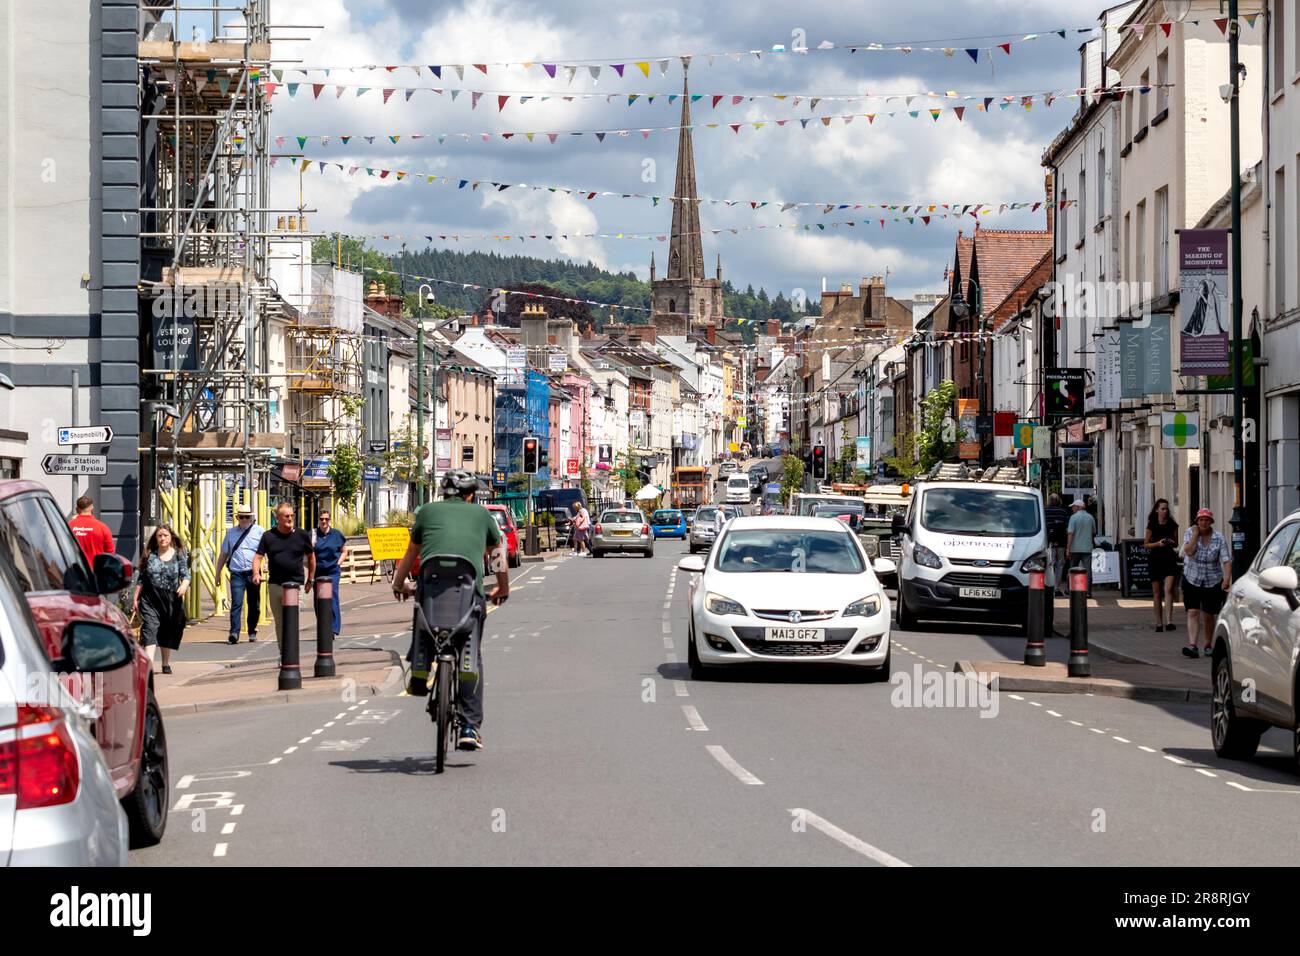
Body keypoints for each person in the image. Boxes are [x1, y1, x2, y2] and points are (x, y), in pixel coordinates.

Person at [393, 470, 508, 752]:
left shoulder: (427, 512)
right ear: (470, 495)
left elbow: (412, 553)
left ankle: (419, 673)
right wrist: (503, 588)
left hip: (430, 590)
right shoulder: (481, 515)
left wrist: (399, 584)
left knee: (422, 613)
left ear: (444, 493)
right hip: (469, 595)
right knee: (472, 655)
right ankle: (470, 726)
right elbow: (497, 554)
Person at [252, 502, 315, 656]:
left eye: (292, 515)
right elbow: (257, 557)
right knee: (280, 623)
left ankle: (291, 653)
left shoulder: (301, 535)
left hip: (295, 586)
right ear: (277, 518)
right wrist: (256, 573)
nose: (290, 518)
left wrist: (310, 580)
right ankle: (283, 653)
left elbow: (311, 558)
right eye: (286, 516)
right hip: (275, 585)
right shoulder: (268, 536)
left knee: (291, 621)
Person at [131, 523, 189, 675]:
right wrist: (135, 598)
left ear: (171, 538)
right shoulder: (149, 556)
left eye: (165, 535)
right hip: (150, 599)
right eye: (159, 536)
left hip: (170, 599)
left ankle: (165, 663)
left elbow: (186, 576)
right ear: (156, 538)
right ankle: (148, 665)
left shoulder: (178, 555)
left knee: (167, 632)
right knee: (150, 629)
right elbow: (141, 579)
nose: (162, 538)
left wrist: (183, 586)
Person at [1180, 508, 1231, 659]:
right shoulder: (1190, 533)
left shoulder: (1219, 538)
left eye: (1206, 520)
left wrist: (1227, 579)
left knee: (1209, 615)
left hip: (1212, 579)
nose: (1203, 522)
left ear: (1211, 522)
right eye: (1201, 520)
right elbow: (1188, 551)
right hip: (1192, 577)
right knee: (1193, 611)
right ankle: (1193, 645)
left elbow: (1226, 560)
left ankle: (1208, 644)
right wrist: (1196, 534)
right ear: (1197, 521)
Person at [214, 503, 264, 645]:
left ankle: (252, 630)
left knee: (254, 604)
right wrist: (217, 574)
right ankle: (234, 632)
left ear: (251, 518)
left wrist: (265, 566)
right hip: (237, 573)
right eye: (241, 517)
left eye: (247, 517)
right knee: (236, 602)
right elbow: (223, 555)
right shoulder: (230, 533)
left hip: (253, 572)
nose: (244, 520)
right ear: (237, 517)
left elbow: (264, 552)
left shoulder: (259, 531)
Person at [1143, 498, 1180, 633]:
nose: (1165, 511)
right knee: (1157, 593)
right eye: (1162, 508)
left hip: (1169, 558)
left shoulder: (1172, 524)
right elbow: (1146, 544)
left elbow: (1176, 543)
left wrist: (1170, 542)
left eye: (1166, 509)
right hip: (1155, 559)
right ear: (1157, 510)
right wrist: (1158, 544)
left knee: (1169, 588)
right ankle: (1159, 623)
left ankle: (1169, 621)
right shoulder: (1152, 525)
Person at [311, 508, 348, 638]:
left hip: (332, 571)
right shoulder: (313, 534)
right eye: (321, 519)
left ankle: (333, 628)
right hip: (318, 571)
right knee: (318, 601)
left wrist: (338, 563)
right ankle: (323, 627)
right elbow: (308, 554)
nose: (324, 521)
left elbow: (344, 551)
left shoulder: (336, 534)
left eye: (326, 519)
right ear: (318, 520)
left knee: (332, 597)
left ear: (330, 520)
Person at [68, 495, 115, 567]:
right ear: (92, 509)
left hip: (74, 573)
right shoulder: (102, 528)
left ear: (77, 509)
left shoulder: (69, 526)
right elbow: (110, 555)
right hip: (95, 574)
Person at [1066, 498, 1096, 599]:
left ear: (1078, 507)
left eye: (1074, 507)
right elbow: (1093, 532)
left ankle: (1071, 589)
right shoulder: (1090, 517)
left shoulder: (1073, 518)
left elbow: (1070, 534)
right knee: (1087, 570)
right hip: (1087, 548)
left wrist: (1068, 548)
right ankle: (1088, 591)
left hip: (1075, 548)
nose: (1072, 509)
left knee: (1072, 569)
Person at [1043, 493, 1070, 596]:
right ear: (1059, 501)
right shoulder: (1063, 512)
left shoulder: (1044, 511)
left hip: (1049, 542)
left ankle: (1049, 586)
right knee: (1060, 565)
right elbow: (1067, 528)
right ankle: (1056, 588)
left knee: (1050, 564)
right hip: (1061, 542)